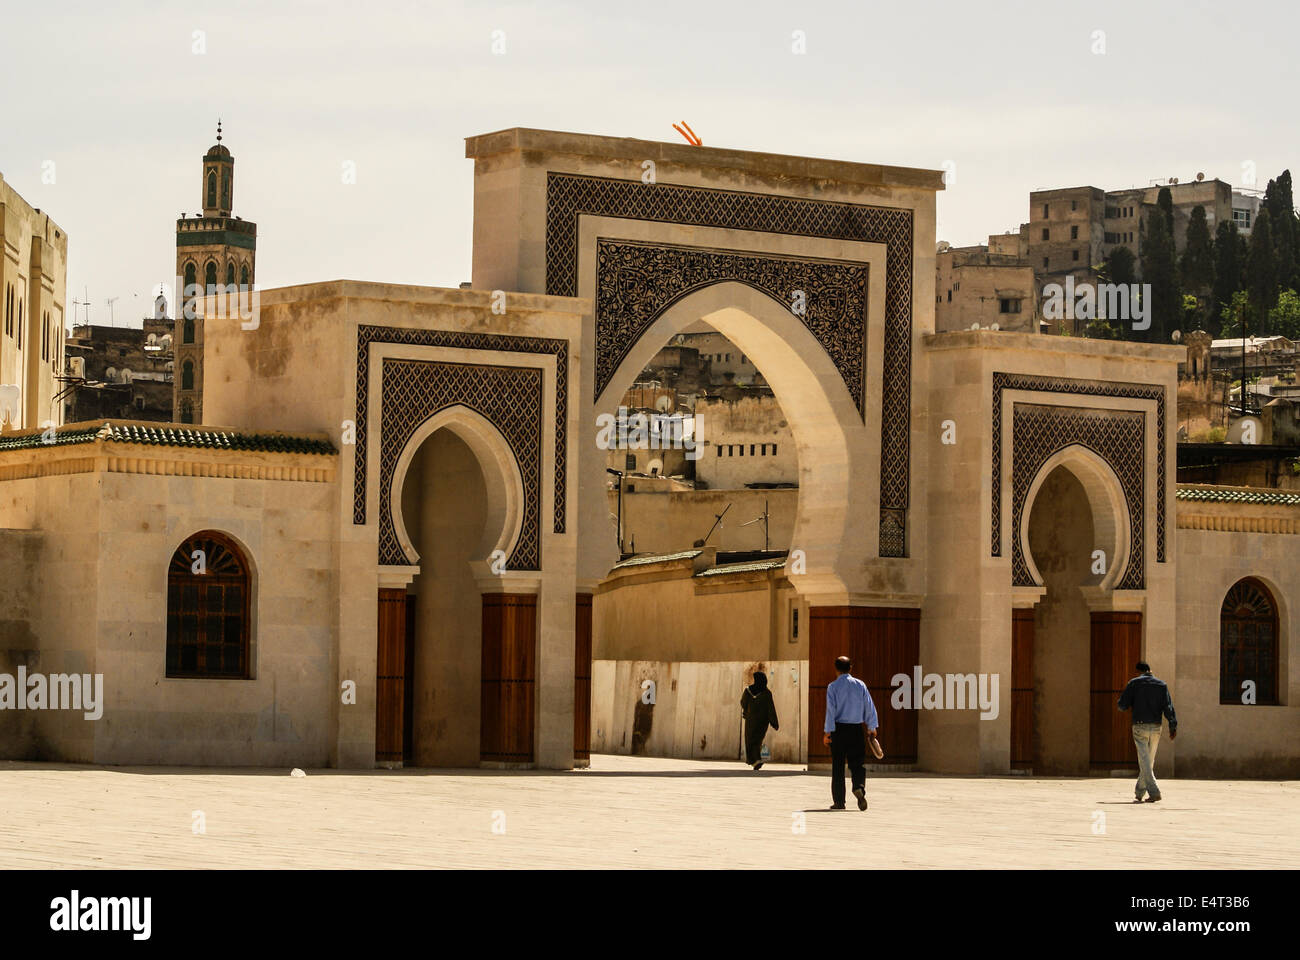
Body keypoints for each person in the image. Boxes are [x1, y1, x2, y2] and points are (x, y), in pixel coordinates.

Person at [823, 655, 878, 811]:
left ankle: (839, 802)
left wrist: (827, 732)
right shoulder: (860, 685)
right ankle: (859, 786)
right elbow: (869, 706)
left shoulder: (832, 687)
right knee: (858, 763)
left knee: (838, 766)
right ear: (851, 668)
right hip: (856, 729)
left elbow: (830, 711)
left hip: (838, 730)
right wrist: (871, 726)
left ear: (836, 669)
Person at [1117, 660, 1178, 803]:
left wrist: (1128, 703)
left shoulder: (1134, 683)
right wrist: (1173, 726)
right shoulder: (1161, 685)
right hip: (1156, 727)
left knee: (1144, 760)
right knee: (1148, 761)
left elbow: (1122, 705)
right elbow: (1168, 707)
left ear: (1138, 671)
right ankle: (1139, 792)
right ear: (1150, 670)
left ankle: (1154, 792)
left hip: (1139, 726)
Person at [740, 670, 779, 770]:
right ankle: (756, 760)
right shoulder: (766, 693)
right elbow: (771, 708)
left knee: (750, 740)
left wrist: (746, 711)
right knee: (757, 740)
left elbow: (743, 703)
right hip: (762, 722)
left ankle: (754, 761)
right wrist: (774, 722)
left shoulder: (748, 691)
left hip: (750, 721)